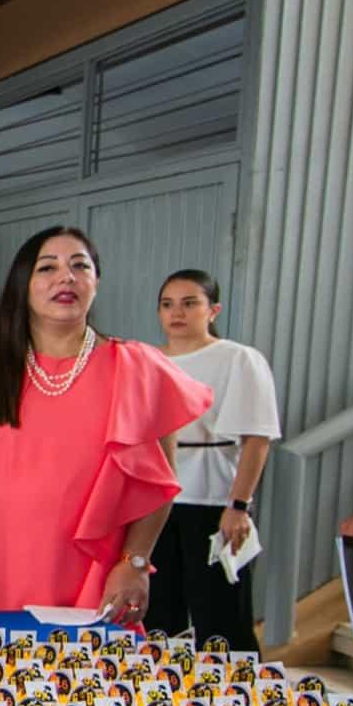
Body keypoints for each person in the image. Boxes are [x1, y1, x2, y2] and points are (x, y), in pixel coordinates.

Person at [0, 227, 212, 624]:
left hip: (95, 571)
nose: (66, 278)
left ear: (97, 282)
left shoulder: (135, 367)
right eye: (47, 267)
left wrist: (136, 561)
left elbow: (161, 480)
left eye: (80, 266)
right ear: (23, 284)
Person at [149, 270, 279, 650]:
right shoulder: (149, 359)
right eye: (167, 304)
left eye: (190, 303)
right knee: (158, 609)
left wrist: (238, 505)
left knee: (218, 611)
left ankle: (233, 695)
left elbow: (257, 439)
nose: (178, 313)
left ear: (213, 310)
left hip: (212, 497)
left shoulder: (238, 358)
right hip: (155, 500)